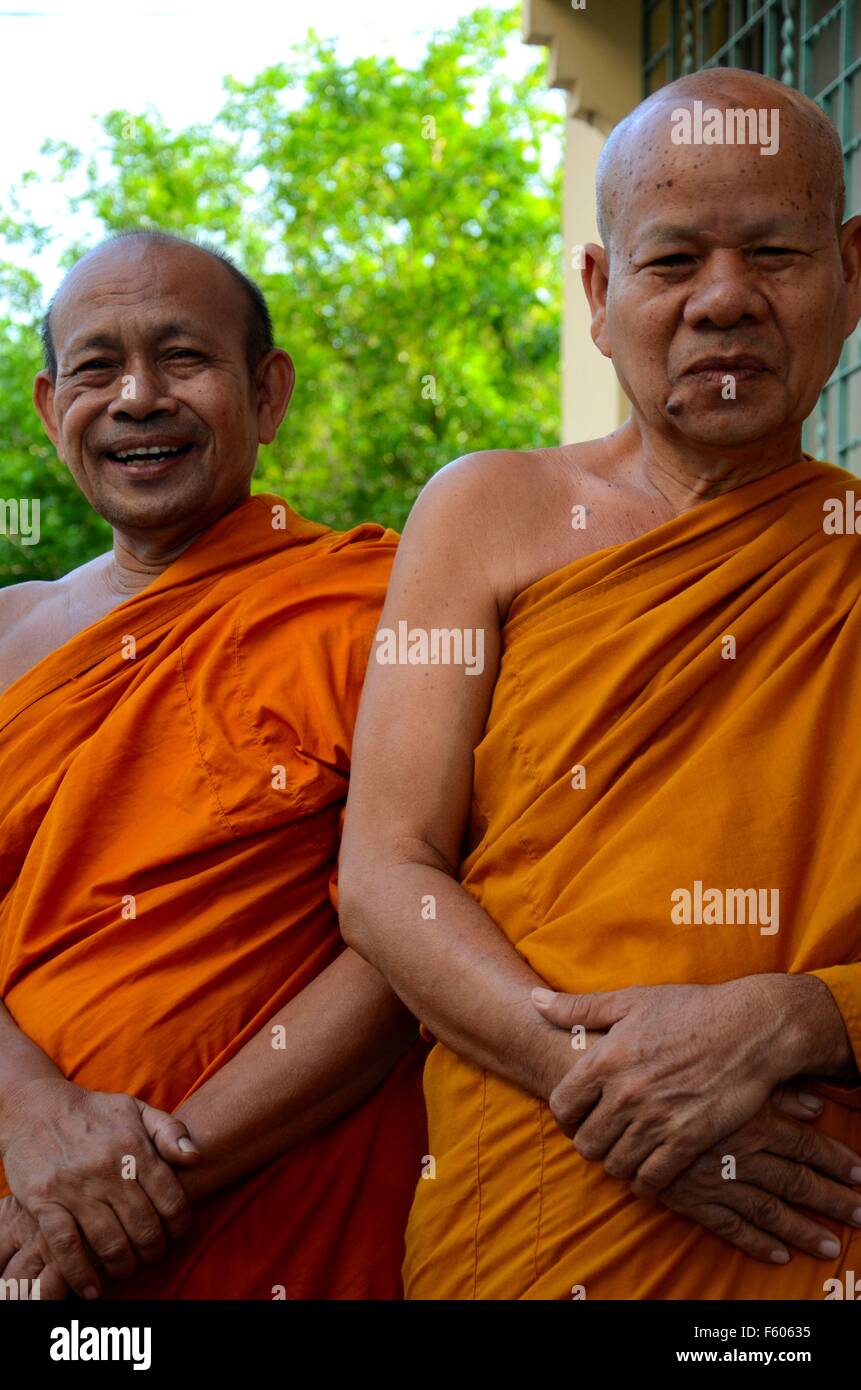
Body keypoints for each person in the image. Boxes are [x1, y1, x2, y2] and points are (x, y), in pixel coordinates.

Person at [339, 68, 861, 1299]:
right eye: (673, 260)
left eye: (775, 254)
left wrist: (805, 1018)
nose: (723, 301)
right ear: (598, 290)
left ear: (850, 274)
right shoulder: (487, 511)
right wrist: (616, 1084)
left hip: (807, 1225)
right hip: (537, 1198)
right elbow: (386, 873)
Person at [0, 229, 426, 1300]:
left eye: (183, 358)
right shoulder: (8, 639)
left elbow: (413, 937)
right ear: (53, 409)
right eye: (98, 367)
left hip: (284, 1210)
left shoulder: (376, 607)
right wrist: (35, 1116)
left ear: (267, 392)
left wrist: (135, 1181)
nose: (139, 397)